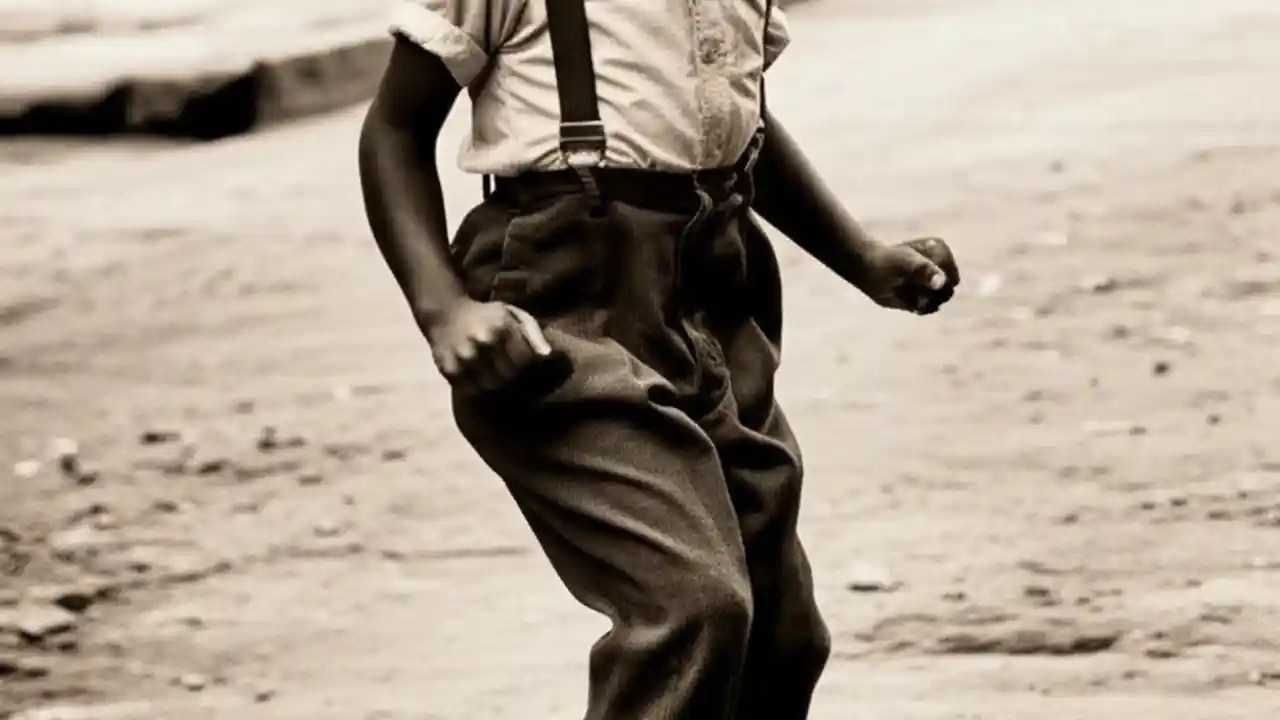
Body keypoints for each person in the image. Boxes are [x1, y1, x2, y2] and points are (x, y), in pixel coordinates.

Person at [358, 0, 960, 717]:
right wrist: (444, 310)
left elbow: (740, 130)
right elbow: (395, 129)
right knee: (690, 607)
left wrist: (862, 259)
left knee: (784, 632)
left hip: (715, 297)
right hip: (563, 310)